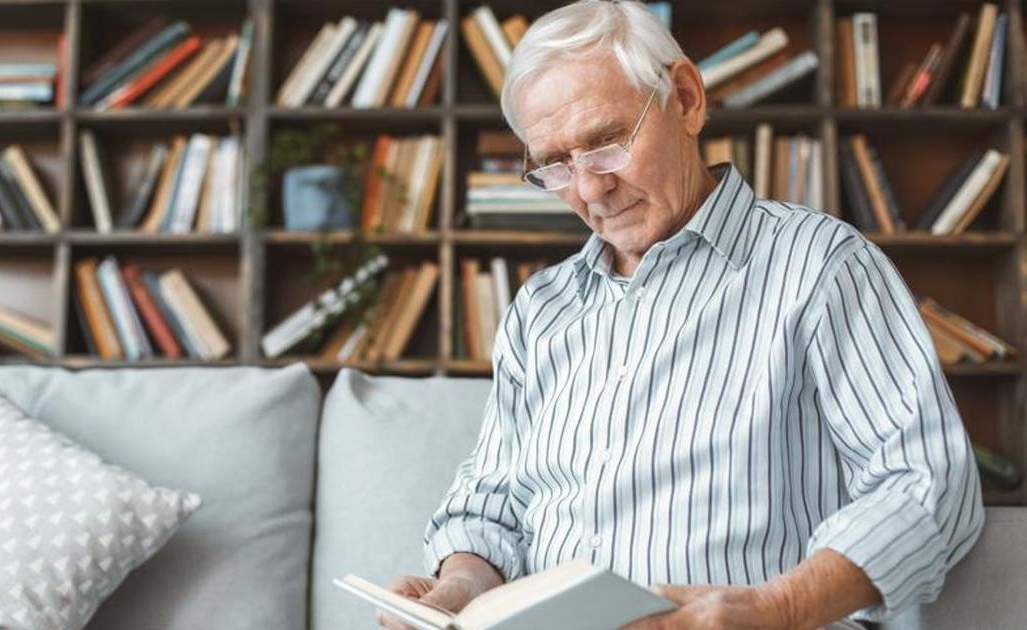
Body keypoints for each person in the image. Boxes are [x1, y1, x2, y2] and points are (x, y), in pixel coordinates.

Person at [376, 1, 985, 628]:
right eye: (556, 165)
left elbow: (930, 484)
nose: (588, 189)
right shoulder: (541, 309)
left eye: (607, 143)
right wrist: (459, 589)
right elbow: (494, 504)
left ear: (687, 99)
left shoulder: (820, 266)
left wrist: (780, 607)